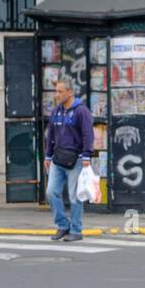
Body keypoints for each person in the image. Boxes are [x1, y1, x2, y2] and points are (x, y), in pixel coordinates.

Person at [43, 80, 93, 242]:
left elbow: (87, 134)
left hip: (76, 159)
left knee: (74, 196)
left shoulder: (81, 111)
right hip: (57, 159)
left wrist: (86, 155)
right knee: (51, 192)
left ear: (70, 92)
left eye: (60, 92)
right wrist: (48, 156)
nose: (57, 95)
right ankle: (63, 225)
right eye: (56, 91)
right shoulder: (56, 111)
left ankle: (76, 230)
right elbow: (51, 135)